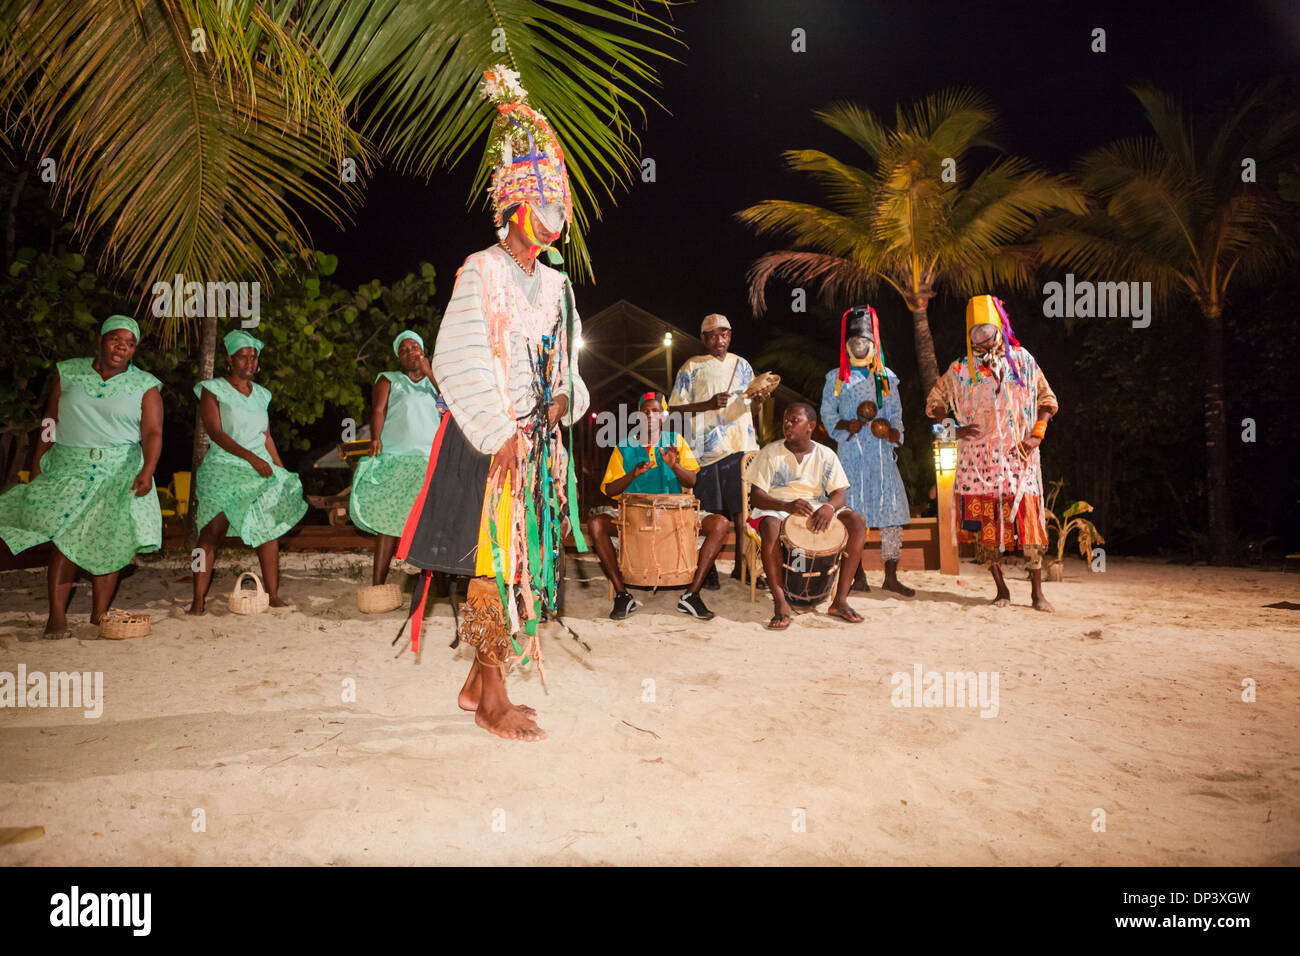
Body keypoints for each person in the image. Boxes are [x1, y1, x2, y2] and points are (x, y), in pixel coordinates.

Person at [397, 65, 588, 742]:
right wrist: (497, 429)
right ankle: (491, 697)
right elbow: (457, 358)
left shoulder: (558, 285)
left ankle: (481, 679)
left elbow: (568, 358)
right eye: (545, 204)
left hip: (535, 446)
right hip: (488, 446)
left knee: (520, 566)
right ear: (515, 208)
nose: (556, 217)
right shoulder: (479, 270)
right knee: (490, 567)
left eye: (560, 206)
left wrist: (566, 394)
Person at [0, 315, 162, 637]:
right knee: (65, 537)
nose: (122, 348)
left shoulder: (145, 384)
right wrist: (39, 459)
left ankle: (99, 614)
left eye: (130, 344)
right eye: (116, 339)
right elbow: (51, 418)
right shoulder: (69, 371)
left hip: (119, 470)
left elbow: (154, 432)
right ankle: (56, 618)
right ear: (101, 339)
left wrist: (148, 469)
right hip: (69, 465)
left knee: (111, 540)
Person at [925, 294, 1058, 611]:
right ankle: (1001, 590)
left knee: (1027, 524)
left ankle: (1037, 593)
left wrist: (1036, 435)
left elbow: (1047, 399)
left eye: (987, 330)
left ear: (999, 327)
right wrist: (950, 427)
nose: (982, 339)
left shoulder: (1022, 360)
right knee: (984, 529)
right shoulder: (960, 369)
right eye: (976, 333)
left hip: (1017, 458)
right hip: (977, 461)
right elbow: (933, 402)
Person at [188, 329, 307, 614]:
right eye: (244, 356)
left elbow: (265, 436)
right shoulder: (212, 389)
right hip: (224, 467)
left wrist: (279, 467)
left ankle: (273, 595)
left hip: (260, 467)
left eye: (254, 357)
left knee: (268, 530)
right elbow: (215, 432)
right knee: (209, 534)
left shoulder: (262, 394)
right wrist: (251, 458)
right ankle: (197, 599)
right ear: (229, 359)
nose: (250, 362)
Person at [590, 391, 729, 620]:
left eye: (655, 411)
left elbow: (691, 481)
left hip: (675, 518)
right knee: (596, 524)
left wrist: (674, 465)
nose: (650, 416)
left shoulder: (676, 441)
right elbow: (610, 490)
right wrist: (632, 474)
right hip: (633, 519)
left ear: (663, 417)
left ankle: (691, 595)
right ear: (637, 416)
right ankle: (622, 594)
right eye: (645, 411)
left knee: (720, 524)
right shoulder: (624, 446)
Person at [745, 402, 867, 630]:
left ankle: (839, 601)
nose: (787, 425)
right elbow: (757, 496)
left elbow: (840, 494)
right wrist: (786, 505)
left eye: (794, 420)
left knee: (857, 522)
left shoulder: (826, 455)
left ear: (810, 426)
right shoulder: (770, 453)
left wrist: (829, 507)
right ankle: (781, 604)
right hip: (778, 506)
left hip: (817, 506)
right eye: (785, 420)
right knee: (770, 525)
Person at [820, 306, 915, 597]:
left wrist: (895, 431)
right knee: (852, 513)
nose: (859, 347)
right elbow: (826, 412)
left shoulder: (886, 377)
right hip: (850, 453)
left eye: (864, 343)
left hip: (882, 454)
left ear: (873, 345)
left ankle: (891, 576)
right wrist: (844, 424)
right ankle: (857, 575)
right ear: (847, 345)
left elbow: (896, 413)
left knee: (891, 511)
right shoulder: (836, 377)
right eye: (854, 343)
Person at [668, 313, 764, 588]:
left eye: (723, 334)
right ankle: (706, 567)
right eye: (712, 334)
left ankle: (741, 566)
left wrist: (758, 400)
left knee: (742, 511)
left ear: (730, 336)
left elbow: (752, 407)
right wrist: (706, 404)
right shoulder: (691, 367)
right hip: (707, 451)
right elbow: (673, 409)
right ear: (702, 338)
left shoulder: (743, 365)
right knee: (709, 510)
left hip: (742, 448)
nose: (718, 339)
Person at [350, 330, 442, 586]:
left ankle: (438, 584)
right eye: (404, 350)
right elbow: (378, 410)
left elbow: (453, 405)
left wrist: (431, 372)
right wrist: (375, 437)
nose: (410, 351)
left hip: (427, 459)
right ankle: (377, 584)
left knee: (432, 519)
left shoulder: (437, 383)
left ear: (423, 350)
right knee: (388, 522)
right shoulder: (389, 379)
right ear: (399, 358)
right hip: (396, 457)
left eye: (414, 346)